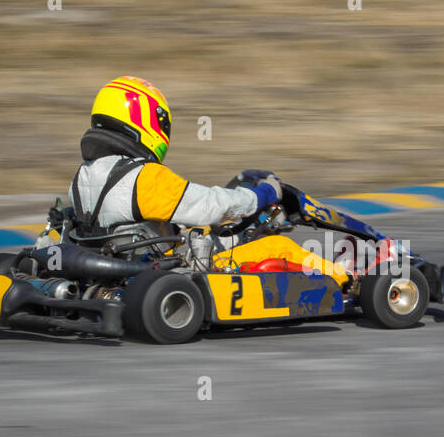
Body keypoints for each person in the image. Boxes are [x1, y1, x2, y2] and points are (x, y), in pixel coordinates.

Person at [69, 76, 347, 284]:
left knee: (228, 233)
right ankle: (349, 281)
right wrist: (261, 196)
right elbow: (211, 206)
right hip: (168, 268)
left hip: (124, 266)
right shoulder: (144, 177)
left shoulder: (83, 177)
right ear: (143, 121)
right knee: (280, 247)